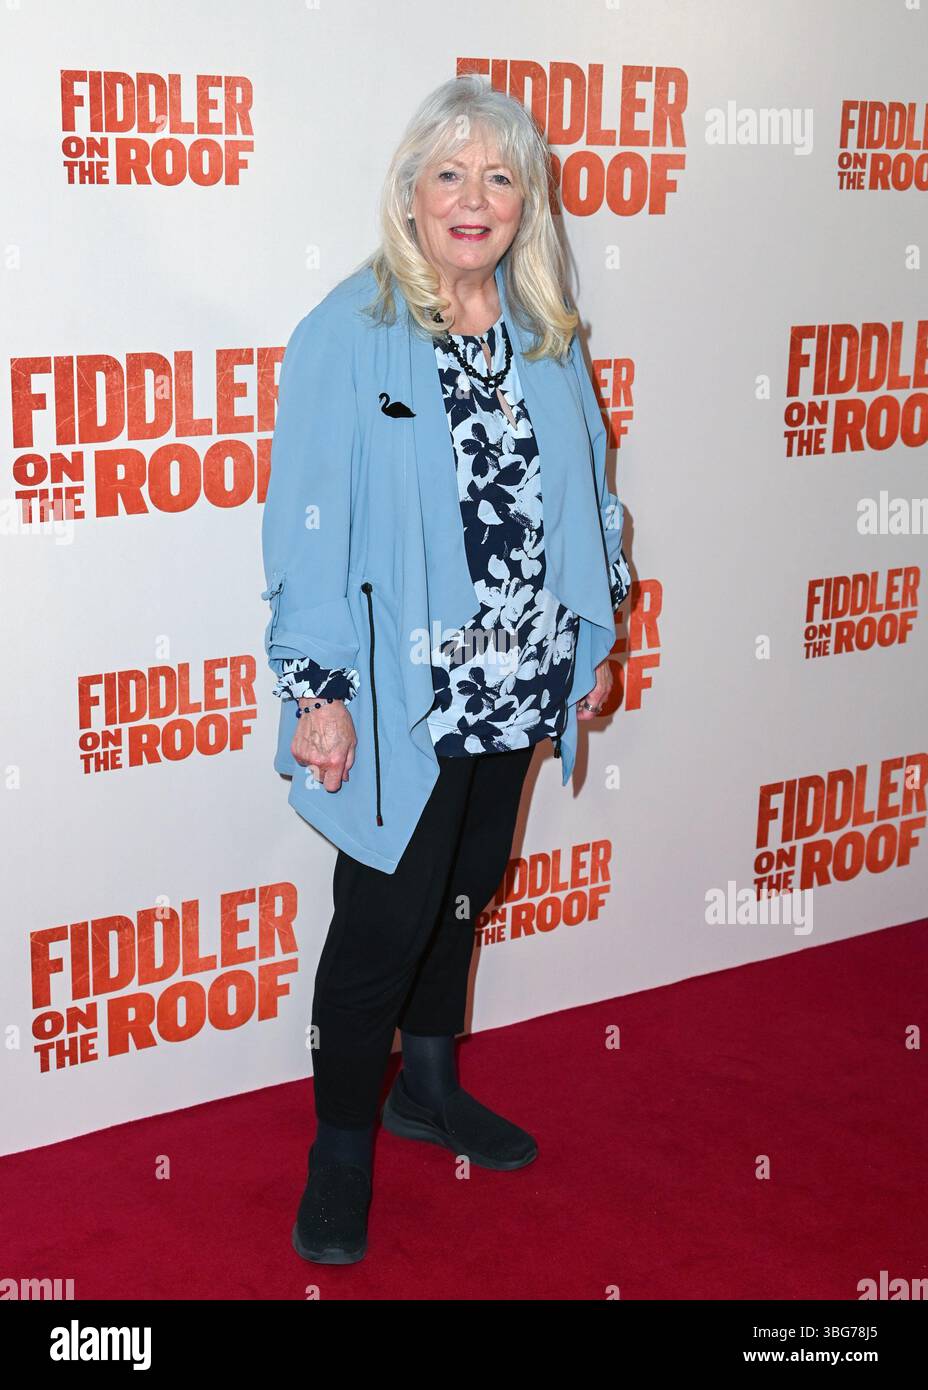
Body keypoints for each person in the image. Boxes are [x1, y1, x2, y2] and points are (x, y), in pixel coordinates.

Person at [260, 74, 632, 1264]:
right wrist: (318, 688)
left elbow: (587, 490)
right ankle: (339, 1148)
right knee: (385, 915)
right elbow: (307, 524)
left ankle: (425, 1086)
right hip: (400, 687)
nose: (474, 198)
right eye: (450, 174)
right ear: (411, 193)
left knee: (469, 883)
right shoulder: (350, 330)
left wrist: (593, 635)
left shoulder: (543, 328)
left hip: (517, 668)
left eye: (500, 176)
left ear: (526, 202)